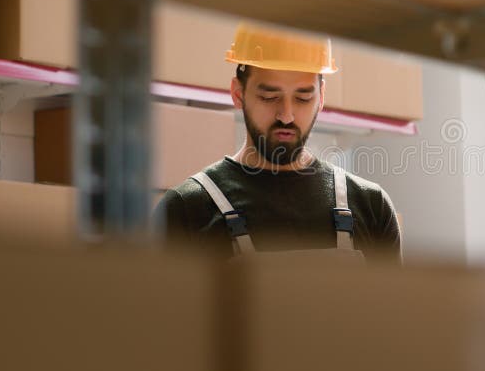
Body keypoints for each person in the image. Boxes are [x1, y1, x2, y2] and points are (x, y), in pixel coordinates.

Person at [155, 23, 401, 263]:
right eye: (269, 97)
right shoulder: (186, 210)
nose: (286, 116)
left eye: (303, 98)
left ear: (321, 97)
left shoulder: (371, 207)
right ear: (238, 94)